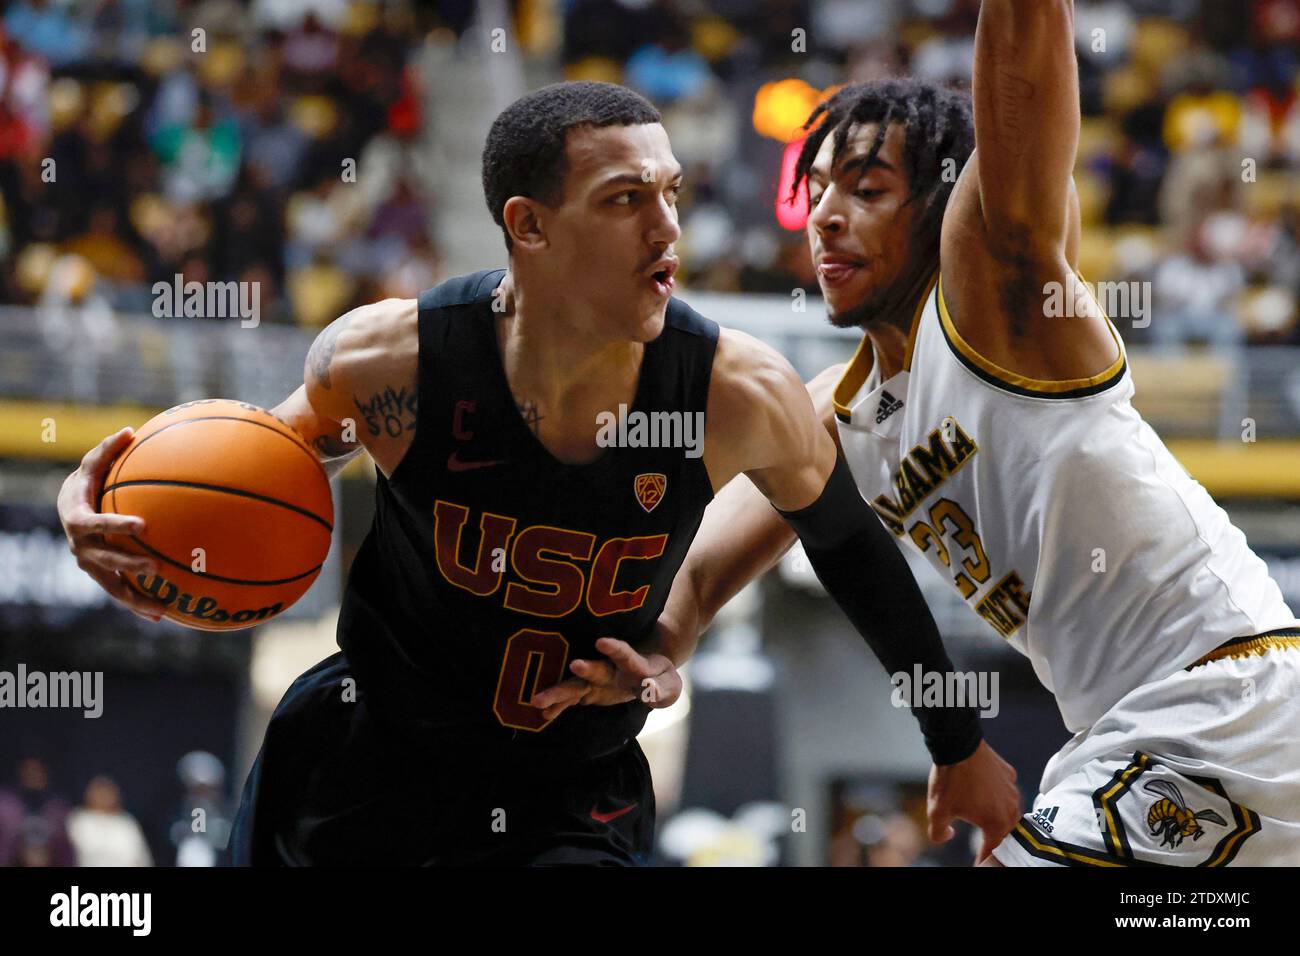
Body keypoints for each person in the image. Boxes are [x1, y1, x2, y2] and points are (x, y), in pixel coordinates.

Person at [58, 81, 1018, 866]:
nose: (666, 228)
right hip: (360, 763)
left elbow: (851, 548)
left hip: (567, 797)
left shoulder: (735, 391)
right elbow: (240, 474)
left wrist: (957, 746)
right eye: (624, 199)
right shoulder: (390, 363)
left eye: (672, 193)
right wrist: (106, 510)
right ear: (530, 226)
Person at [562, 2, 1300, 867]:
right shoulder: (833, 417)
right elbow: (698, 580)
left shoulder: (995, 302)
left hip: (1221, 697)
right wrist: (646, 653)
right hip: (1137, 727)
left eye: (868, 191)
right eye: (822, 189)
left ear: (944, 207)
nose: (828, 216)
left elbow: (1022, 81)